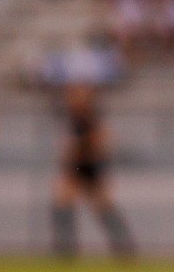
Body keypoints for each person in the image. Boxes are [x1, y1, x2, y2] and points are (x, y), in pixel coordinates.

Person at [52, 84, 135, 260]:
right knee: (62, 203)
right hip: (76, 168)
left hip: (89, 167)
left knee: (103, 208)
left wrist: (83, 150)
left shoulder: (89, 118)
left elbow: (101, 141)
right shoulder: (74, 118)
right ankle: (66, 249)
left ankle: (124, 247)